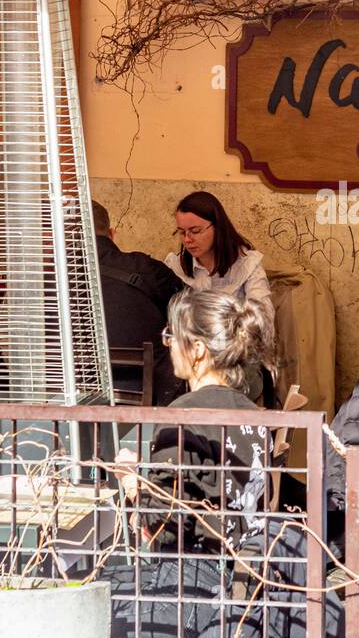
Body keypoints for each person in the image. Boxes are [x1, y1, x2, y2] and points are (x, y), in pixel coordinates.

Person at [117, 288, 274, 553]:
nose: (169, 345)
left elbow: (164, 528)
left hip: (192, 579)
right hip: (243, 571)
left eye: (172, 336)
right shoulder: (252, 413)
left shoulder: (180, 418)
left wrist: (132, 482)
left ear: (198, 350)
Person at [93, 200, 185, 405]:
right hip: (151, 403)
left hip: (71, 407)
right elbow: (189, 309)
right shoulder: (148, 269)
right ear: (111, 234)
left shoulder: (52, 282)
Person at [164, 191, 273, 327]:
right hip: (190, 345)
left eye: (196, 231)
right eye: (181, 232)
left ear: (217, 227)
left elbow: (263, 319)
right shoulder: (174, 265)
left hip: (235, 343)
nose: (187, 239)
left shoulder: (248, 263)